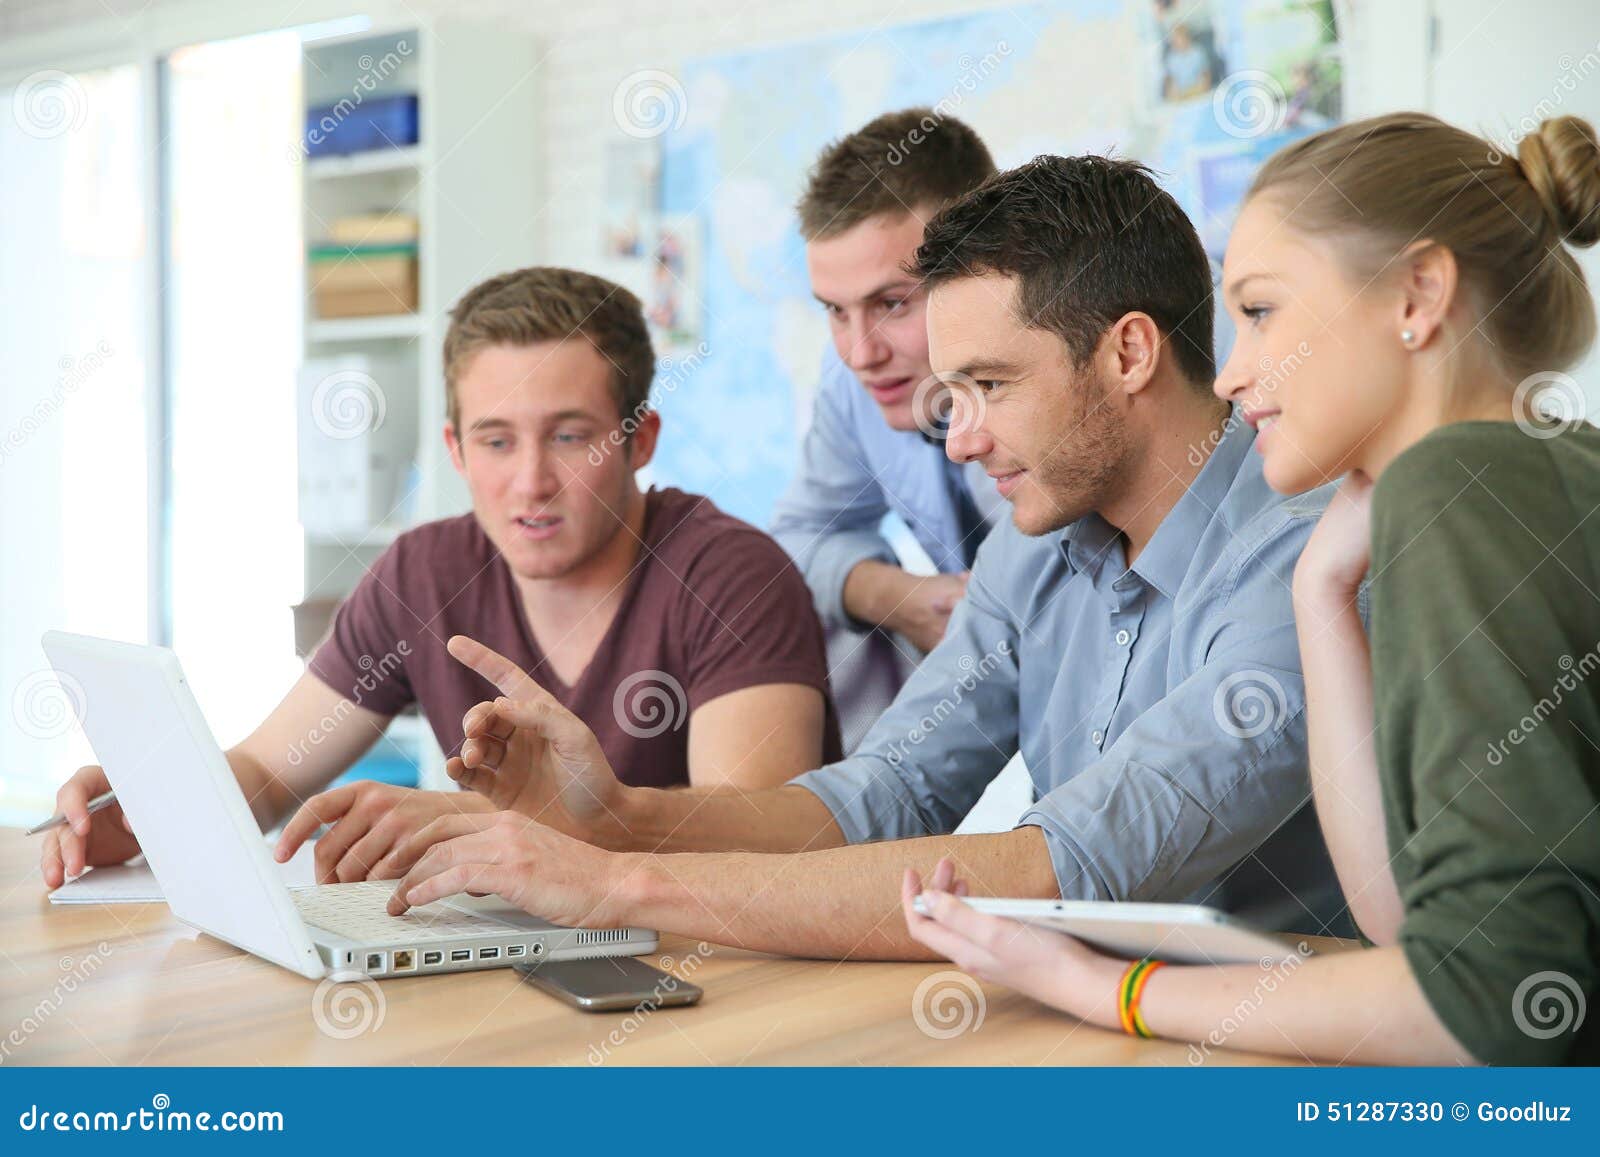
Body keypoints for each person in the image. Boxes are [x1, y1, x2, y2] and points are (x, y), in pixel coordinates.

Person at [362, 153, 1349, 960]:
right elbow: (879, 795)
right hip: (1094, 1015)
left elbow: (1069, 866)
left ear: (1128, 354)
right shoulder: (1034, 541)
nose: (958, 442)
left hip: (1282, 1047)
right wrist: (619, 815)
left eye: (992, 385)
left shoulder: (1296, 554)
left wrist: (621, 883)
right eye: (952, 392)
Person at [904, 112, 1600, 1066]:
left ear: (1419, 293)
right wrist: (1320, 591)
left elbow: (1496, 1002)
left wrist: (1105, 987)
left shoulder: (1465, 490)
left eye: (1262, 311)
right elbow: (1408, 928)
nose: (1230, 372)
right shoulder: (1500, 483)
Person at [41, 267, 839, 891]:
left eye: (569, 436)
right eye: (496, 442)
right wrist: (151, 810)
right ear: (456, 451)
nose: (531, 481)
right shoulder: (424, 571)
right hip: (510, 962)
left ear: (639, 441)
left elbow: (763, 833)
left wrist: (460, 819)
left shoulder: (734, 574)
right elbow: (264, 773)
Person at [770, 109, 1005, 742]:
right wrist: (897, 598)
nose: (859, 352)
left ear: (989, 261)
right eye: (835, 312)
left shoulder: (1070, 379)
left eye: (892, 303)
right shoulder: (854, 379)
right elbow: (797, 536)